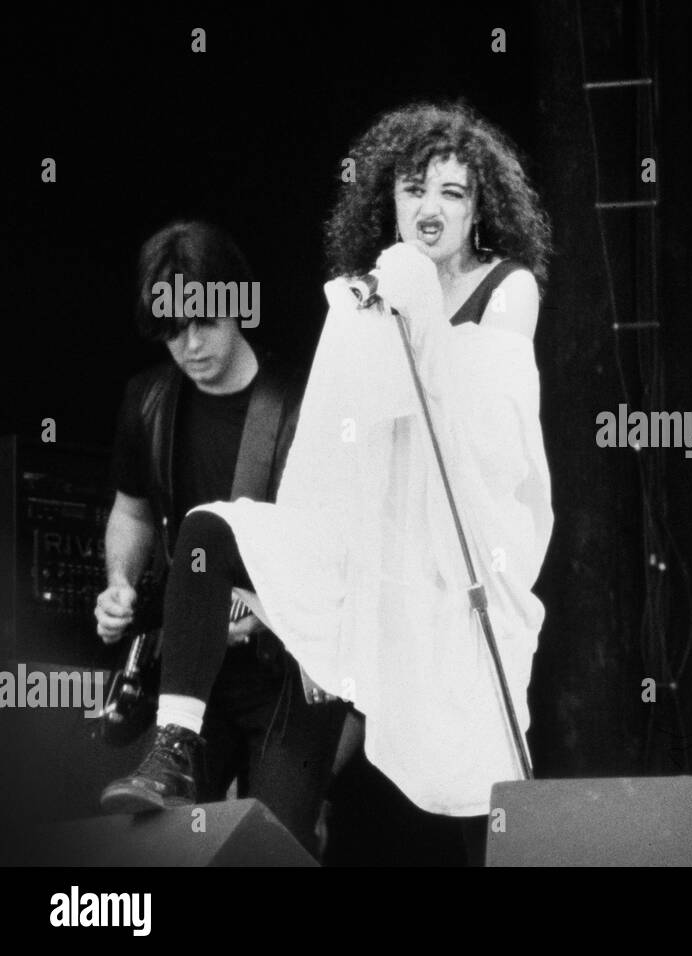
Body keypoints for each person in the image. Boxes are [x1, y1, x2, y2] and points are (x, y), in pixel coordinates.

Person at [100, 101, 555, 867]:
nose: (430, 208)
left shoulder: (507, 286)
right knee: (213, 530)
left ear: (481, 209)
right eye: (414, 190)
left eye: (452, 192)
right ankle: (171, 747)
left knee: (476, 768)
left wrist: (412, 297)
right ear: (389, 200)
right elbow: (334, 451)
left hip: (464, 553)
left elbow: (481, 416)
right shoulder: (363, 293)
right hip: (371, 541)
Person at [95, 221, 349, 858]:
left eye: (203, 321)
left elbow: (343, 546)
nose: (189, 344)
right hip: (193, 672)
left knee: (270, 848)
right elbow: (130, 511)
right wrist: (120, 582)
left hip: (284, 669)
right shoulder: (148, 401)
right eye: (172, 330)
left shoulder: (304, 405)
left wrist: (264, 609)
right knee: (165, 845)